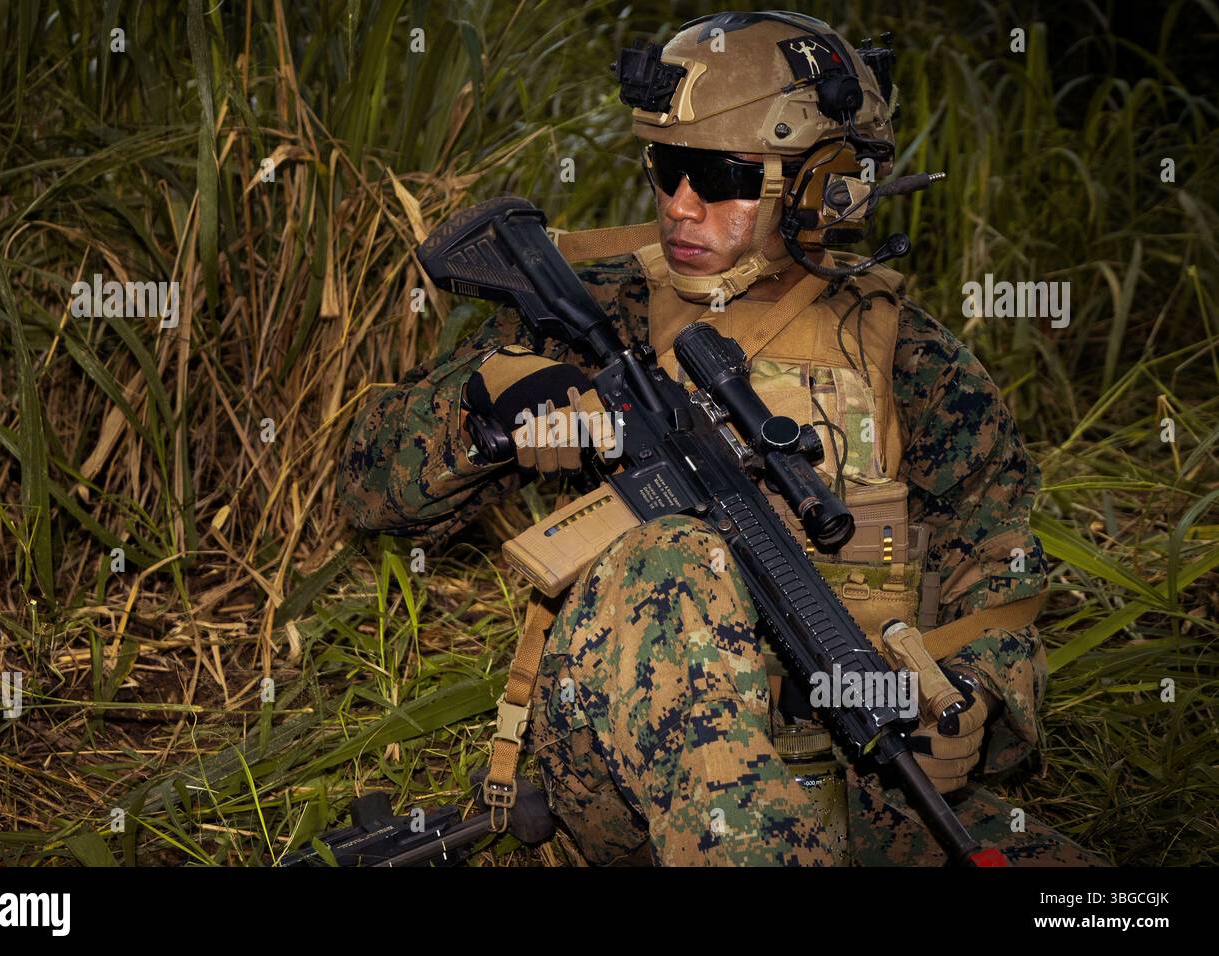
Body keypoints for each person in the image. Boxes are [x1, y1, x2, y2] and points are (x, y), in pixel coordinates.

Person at [338, 10, 1106, 866]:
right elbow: (371, 491)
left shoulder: (908, 358)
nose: (678, 205)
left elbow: (1005, 575)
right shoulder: (607, 313)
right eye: (665, 168)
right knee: (670, 560)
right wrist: (484, 411)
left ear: (824, 184)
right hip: (622, 772)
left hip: (854, 777)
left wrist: (973, 699)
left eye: (719, 175)